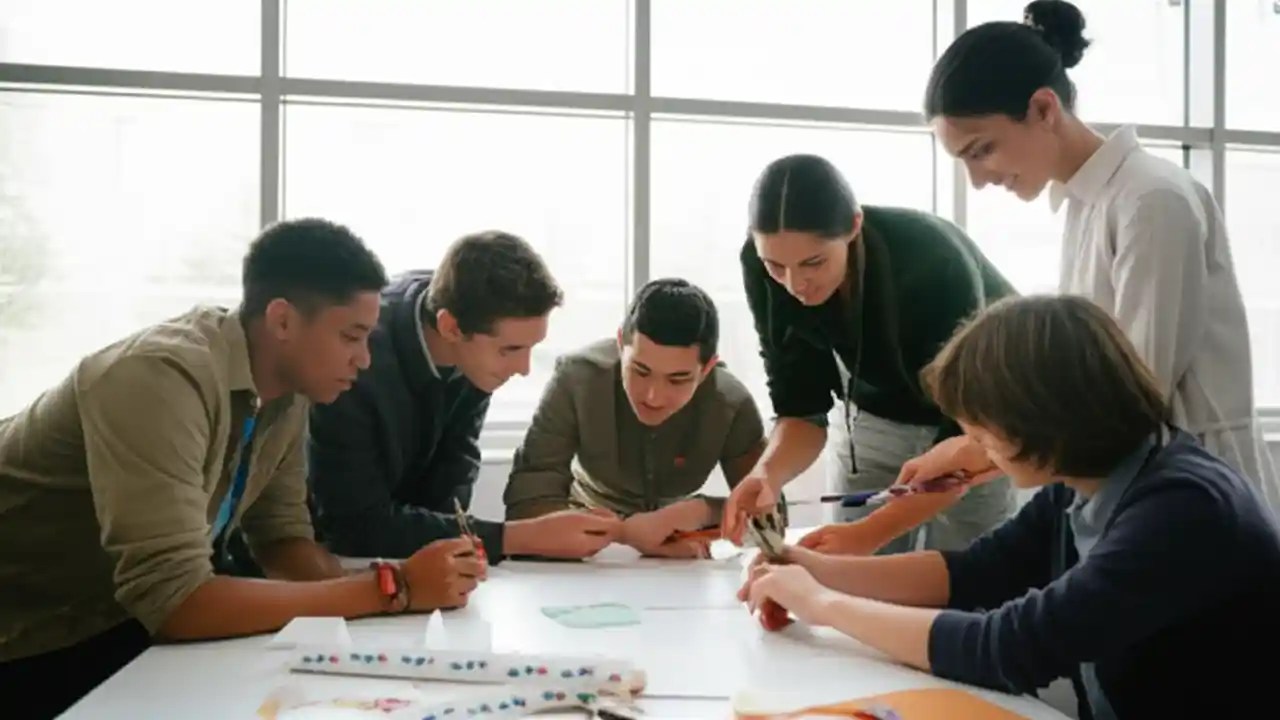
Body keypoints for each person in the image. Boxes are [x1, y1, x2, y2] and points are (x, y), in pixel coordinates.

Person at [0, 219, 486, 719]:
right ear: (282, 321)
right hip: (27, 633)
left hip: (106, 613)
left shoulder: (287, 392)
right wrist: (394, 589)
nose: (363, 360)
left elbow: (280, 538)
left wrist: (380, 614)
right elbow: (175, 601)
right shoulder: (157, 378)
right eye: (351, 336)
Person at [739, 294, 1280, 720]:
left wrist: (821, 604)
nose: (971, 439)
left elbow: (1007, 649)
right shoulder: (1089, 479)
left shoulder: (1182, 511)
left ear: (1041, 416)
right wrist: (816, 570)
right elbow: (977, 572)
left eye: (980, 424)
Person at [920, 0, 1278, 507]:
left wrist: (986, 451)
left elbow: (1131, 394)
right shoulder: (1089, 204)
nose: (977, 180)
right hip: (1147, 486)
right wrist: (984, 448)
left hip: (1198, 494)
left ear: (1045, 109)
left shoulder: (1152, 200)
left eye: (982, 150)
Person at [721, 153, 1018, 554]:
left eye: (814, 262)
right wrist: (767, 475)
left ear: (854, 226)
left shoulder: (933, 259)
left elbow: (962, 450)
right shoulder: (759, 267)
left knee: (969, 577)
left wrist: (867, 536)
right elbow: (800, 409)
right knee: (851, 574)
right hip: (873, 419)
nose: (795, 284)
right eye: (776, 266)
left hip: (979, 420)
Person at [307, 230, 623, 563]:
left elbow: (449, 498)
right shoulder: (356, 361)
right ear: (451, 328)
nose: (523, 368)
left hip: (400, 561)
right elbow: (352, 526)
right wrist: (518, 537)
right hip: (323, 565)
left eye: (530, 348)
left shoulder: (471, 346)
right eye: (510, 350)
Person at [504, 278, 766, 558]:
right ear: (620, 345)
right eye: (640, 371)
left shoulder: (732, 403)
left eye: (678, 380)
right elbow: (526, 504)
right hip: (582, 550)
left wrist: (701, 511)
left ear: (707, 369)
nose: (653, 397)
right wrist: (623, 534)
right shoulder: (576, 379)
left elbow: (770, 521)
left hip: (682, 552)